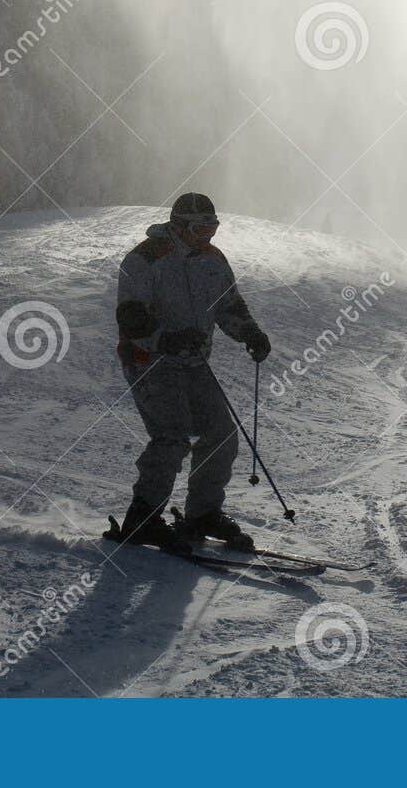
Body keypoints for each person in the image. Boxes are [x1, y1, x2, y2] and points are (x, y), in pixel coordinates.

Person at [113, 192, 272, 553]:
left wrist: (250, 333)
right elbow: (131, 316)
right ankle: (143, 519)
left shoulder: (213, 261)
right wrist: (166, 339)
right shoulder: (146, 259)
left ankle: (202, 513)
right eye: (201, 228)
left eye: (213, 227)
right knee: (172, 435)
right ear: (178, 225)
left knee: (221, 433)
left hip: (193, 361)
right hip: (148, 360)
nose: (208, 236)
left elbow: (229, 305)